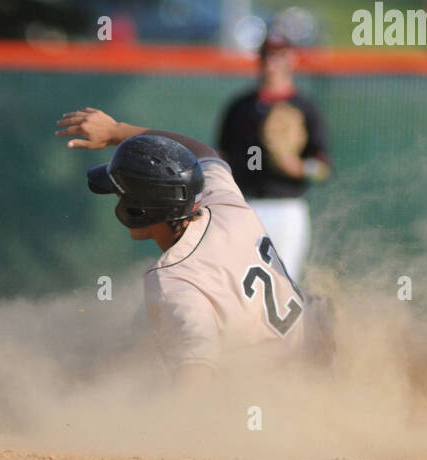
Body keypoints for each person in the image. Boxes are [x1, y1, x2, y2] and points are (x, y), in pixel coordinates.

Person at [55, 108, 316, 390]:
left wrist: (181, 426)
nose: (116, 198)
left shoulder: (174, 280)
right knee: (141, 331)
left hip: (272, 396)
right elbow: (202, 151)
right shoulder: (225, 203)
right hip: (312, 355)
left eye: (120, 193)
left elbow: (196, 366)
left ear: (137, 211)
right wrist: (116, 131)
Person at [216, 31, 332, 282]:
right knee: (239, 282)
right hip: (244, 205)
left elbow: (323, 167)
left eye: (279, 55)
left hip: (286, 208)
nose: (272, 61)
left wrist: (300, 167)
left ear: (291, 59)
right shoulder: (240, 107)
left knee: (284, 282)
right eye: (268, 55)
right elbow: (222, 156)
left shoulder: (305, 107)